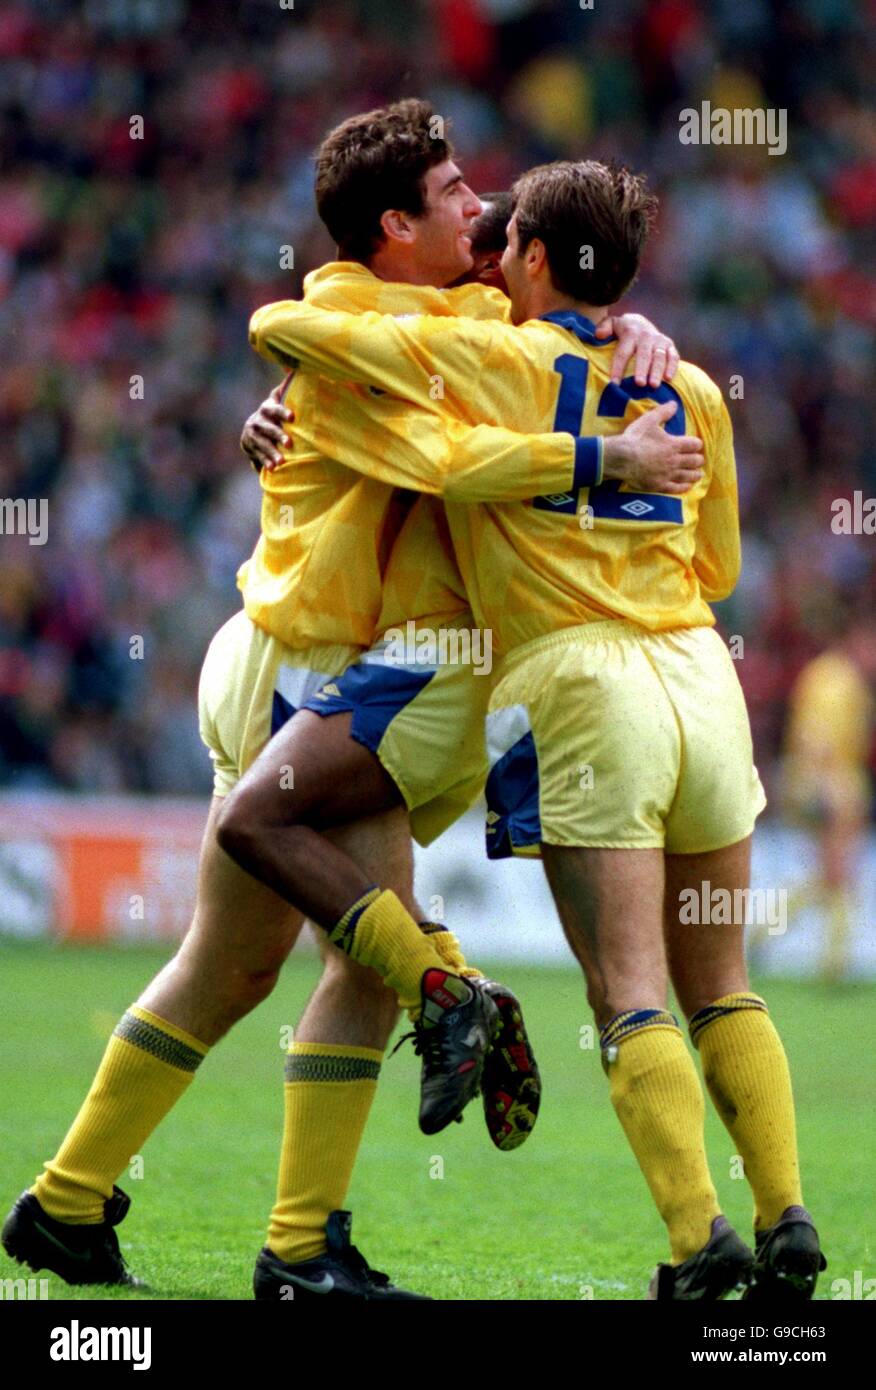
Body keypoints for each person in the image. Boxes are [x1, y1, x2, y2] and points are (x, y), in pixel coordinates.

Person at [2, 103, 687, 1303]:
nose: (482, 206)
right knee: (368, 959)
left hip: (296, 654)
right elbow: (436, 451)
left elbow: (551, 324)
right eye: (456, 190)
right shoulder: (345, 326)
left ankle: (64, 1202)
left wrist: (632, 327)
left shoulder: (448, 311)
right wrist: (607, 459)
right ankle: (305, 1239)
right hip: (315, 666)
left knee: (226, 966)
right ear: (393, 226)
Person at [220, 157, 826, 1301]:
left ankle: (700, 1243)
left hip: (586, 686)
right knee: (725, 981)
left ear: (535, 258)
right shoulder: (689, 386)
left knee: (628, 985)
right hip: (701, 673)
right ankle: (786, 1213)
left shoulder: (496, 362)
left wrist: (298, 389)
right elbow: (723, 565)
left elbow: (310, 333)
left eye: (510, 244)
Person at [781, 619, 876, 982]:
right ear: (855, 638)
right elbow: (813, 737)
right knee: (839, 871)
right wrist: (824, 785)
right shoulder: (835, 681)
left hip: (821, 780)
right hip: (829, 783)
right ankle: (834, 962)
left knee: (831, 875)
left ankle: (763, 934)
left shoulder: (831, 676)